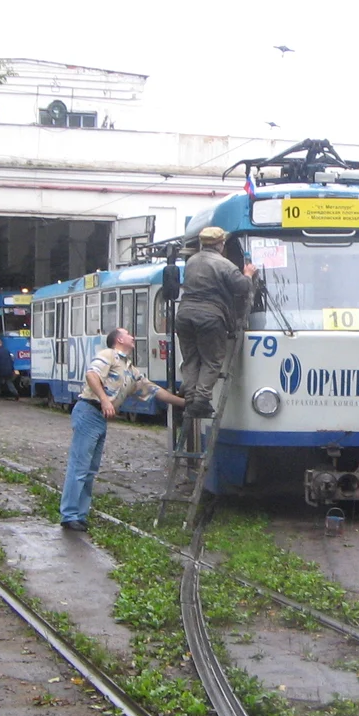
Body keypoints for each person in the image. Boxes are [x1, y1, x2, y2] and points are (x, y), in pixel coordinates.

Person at [58, 327, 187, 531]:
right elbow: (91, 375)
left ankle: (79, 515)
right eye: (128, 334)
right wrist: (105, 400)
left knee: (90, 469)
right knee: (80, 466)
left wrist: (183, 403)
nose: (132, 337)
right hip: (89, 411)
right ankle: (69, 514)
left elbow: (153, 389)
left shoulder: (129, 369)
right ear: (119, 339)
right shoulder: (108, 355)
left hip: (100, 418)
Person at [175, 226, 256, 417]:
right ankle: (201, 401)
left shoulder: (191, 262)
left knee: (191, 359)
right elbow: (243, 287)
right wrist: (249, 274)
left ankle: (190, 398)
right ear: (221, 244)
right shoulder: (224, 264)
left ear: (202, 243)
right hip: (210, 317)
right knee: (212, 359)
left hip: (184, 314)